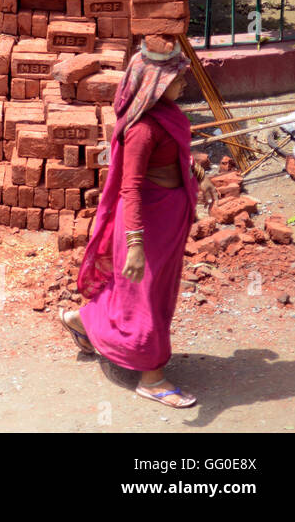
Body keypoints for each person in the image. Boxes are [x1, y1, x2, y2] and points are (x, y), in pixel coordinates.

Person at [59, 39, 217, 407]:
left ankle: (81, 320)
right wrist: (134, 245)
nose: (183, 85)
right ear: (154, 84)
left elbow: (174, 154)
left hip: (168, 222)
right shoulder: (142, 130)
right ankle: (152, 377)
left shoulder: (169, 115)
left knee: (143, 292)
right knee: (147, 299)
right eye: (176, 79)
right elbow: (130, 189)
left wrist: (199, 174)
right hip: (147, 228)